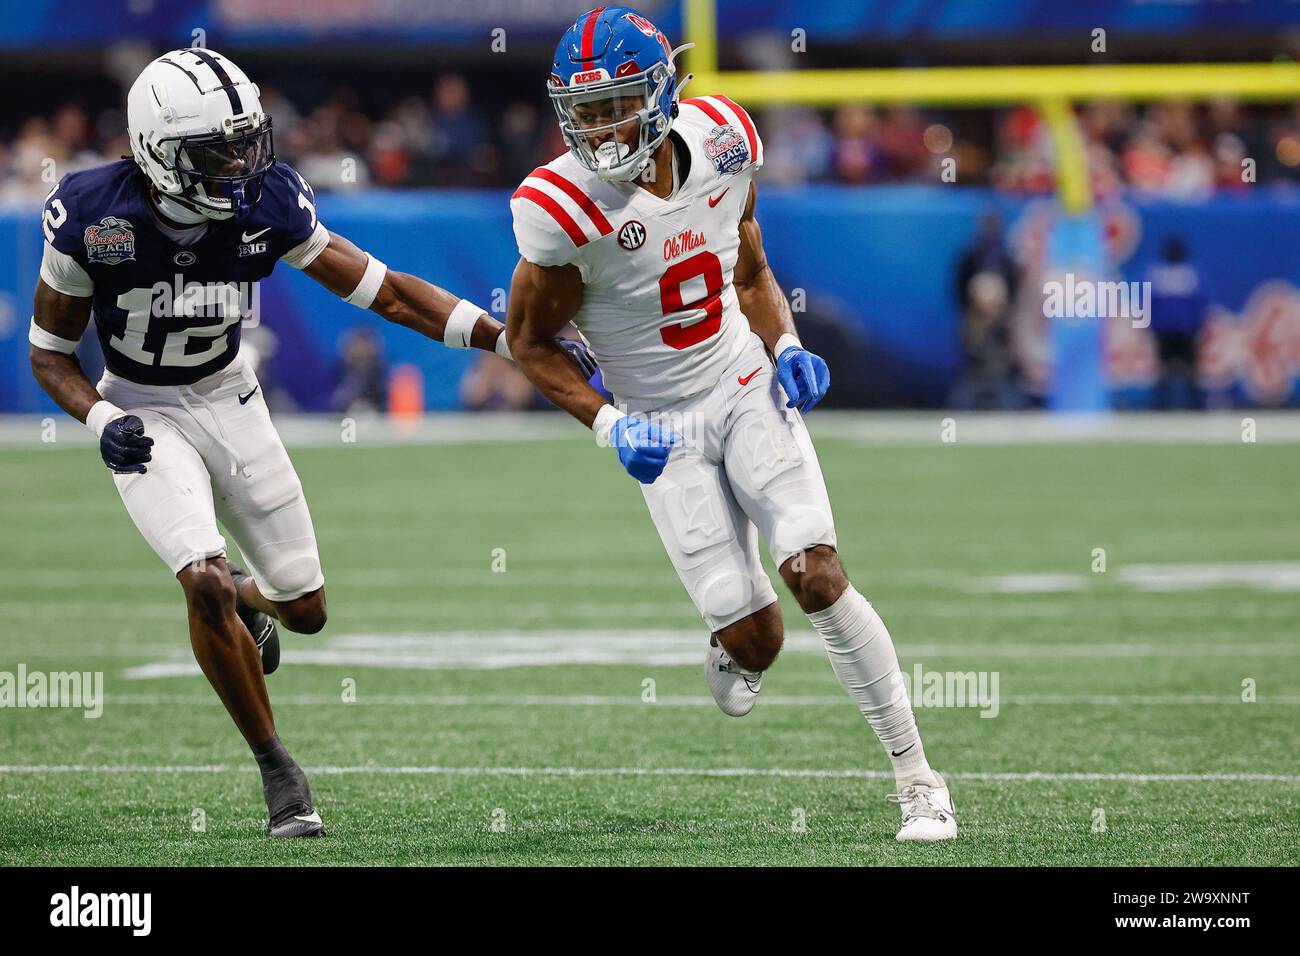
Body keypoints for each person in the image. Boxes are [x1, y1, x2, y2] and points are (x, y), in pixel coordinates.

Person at [29, 48, 594, 838]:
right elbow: (49, 354)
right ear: (158, 154)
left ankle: (247, 601)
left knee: (307, 609)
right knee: (201, 580)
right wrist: (98, 419)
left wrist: (511, 342)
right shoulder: (94, 214)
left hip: (232, 397)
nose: (238, 163)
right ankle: (279, 771)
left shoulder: (269, 203)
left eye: (245, 142)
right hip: (143, 407)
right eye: (214, 151)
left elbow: (388, 291)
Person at [506, 6, 955, 841]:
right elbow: (526, 341)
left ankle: (919, 780)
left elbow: (747, 263)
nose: (601, 128)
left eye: (619, 103)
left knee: (817, 572)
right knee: (757, 639)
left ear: (665, 94)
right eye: (586, 108)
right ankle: (733, 641)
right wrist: (607, 423)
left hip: (740, 380)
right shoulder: (560, 206)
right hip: (657, 422)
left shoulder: (721, 140)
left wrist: (784, 340)